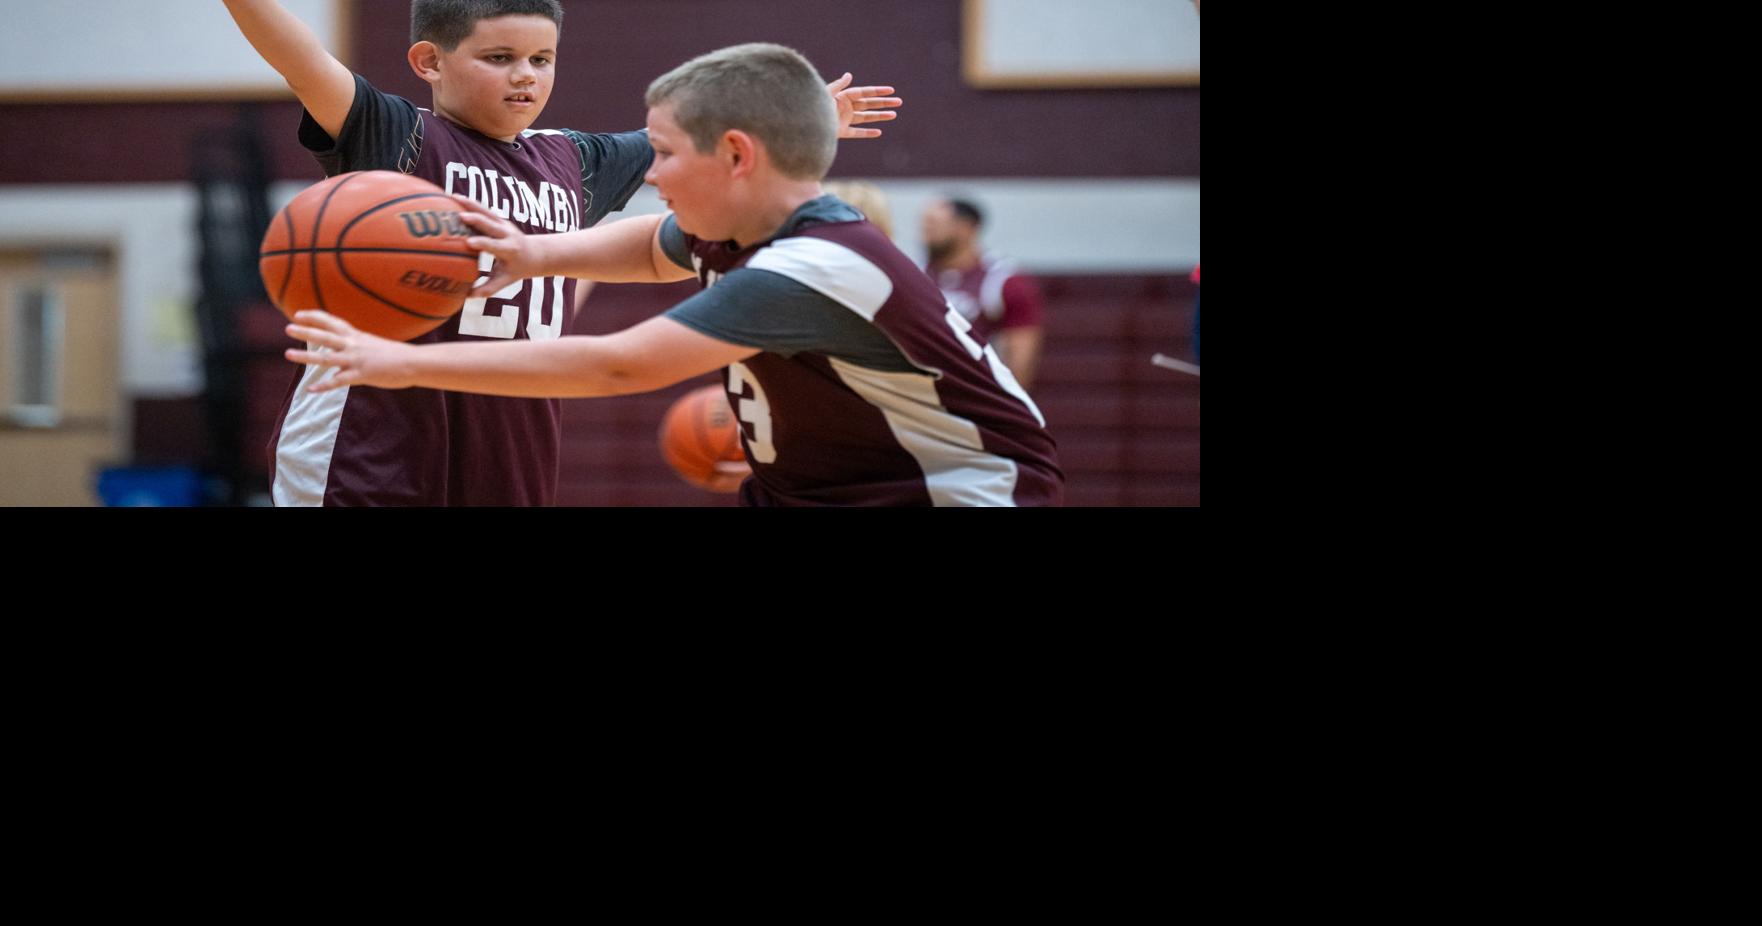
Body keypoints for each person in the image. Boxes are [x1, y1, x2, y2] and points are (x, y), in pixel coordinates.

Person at [284, 43, 1063, 507]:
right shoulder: (746, 231)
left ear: (735, 155)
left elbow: (618, 362)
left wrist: (401, 361)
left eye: (663, 154)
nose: (651, 175)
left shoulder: (813, 268)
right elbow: (643, 248)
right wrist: (533, 252)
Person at [223, 0, 900, 505]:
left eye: (540, 60)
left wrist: (802, 118)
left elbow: (700, 136)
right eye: (499, 58)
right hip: (374, 433)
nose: (526, 77)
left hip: (513, 431)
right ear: (430, 62)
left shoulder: (572, 160)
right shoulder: (399, 137)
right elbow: (302, 60)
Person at [921, 196, 1046, 390]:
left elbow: (1021, 354)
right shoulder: (917, 274)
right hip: (925, 393)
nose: (925, 234)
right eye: (925, 226)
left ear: (965, 228)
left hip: (980, 393)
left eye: (933, 225)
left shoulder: (1002, 279)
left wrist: (1007, 408)